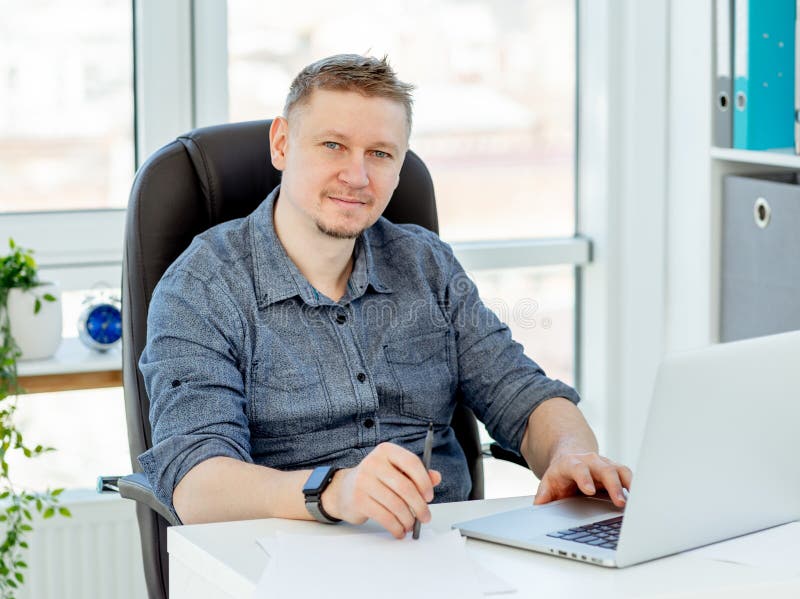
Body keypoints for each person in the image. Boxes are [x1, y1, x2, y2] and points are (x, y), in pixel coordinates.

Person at [138, 54, 632, 539]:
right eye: (333, 145)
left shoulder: (425, 265)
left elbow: (524, 397)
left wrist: (570, 455)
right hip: (283, 558)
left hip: (439, 552)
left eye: (380, 153)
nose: (357, 177)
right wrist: (334, 491)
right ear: (282, 143)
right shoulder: (202, 286)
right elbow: (197, 484)